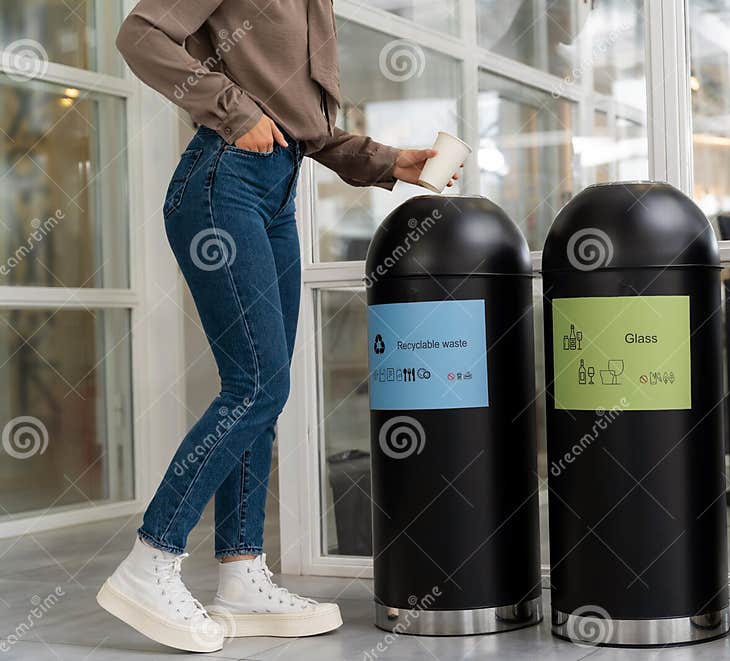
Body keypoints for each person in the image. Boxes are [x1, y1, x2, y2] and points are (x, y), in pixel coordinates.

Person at [97, 0, 460, 653]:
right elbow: (140, 35)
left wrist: (393, 162)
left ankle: (241, 576)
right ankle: (151, 561)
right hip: (221, 183)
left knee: (265, 393)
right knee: (256, 385)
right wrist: (234, 111)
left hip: (274, 193)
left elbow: (305, 130)